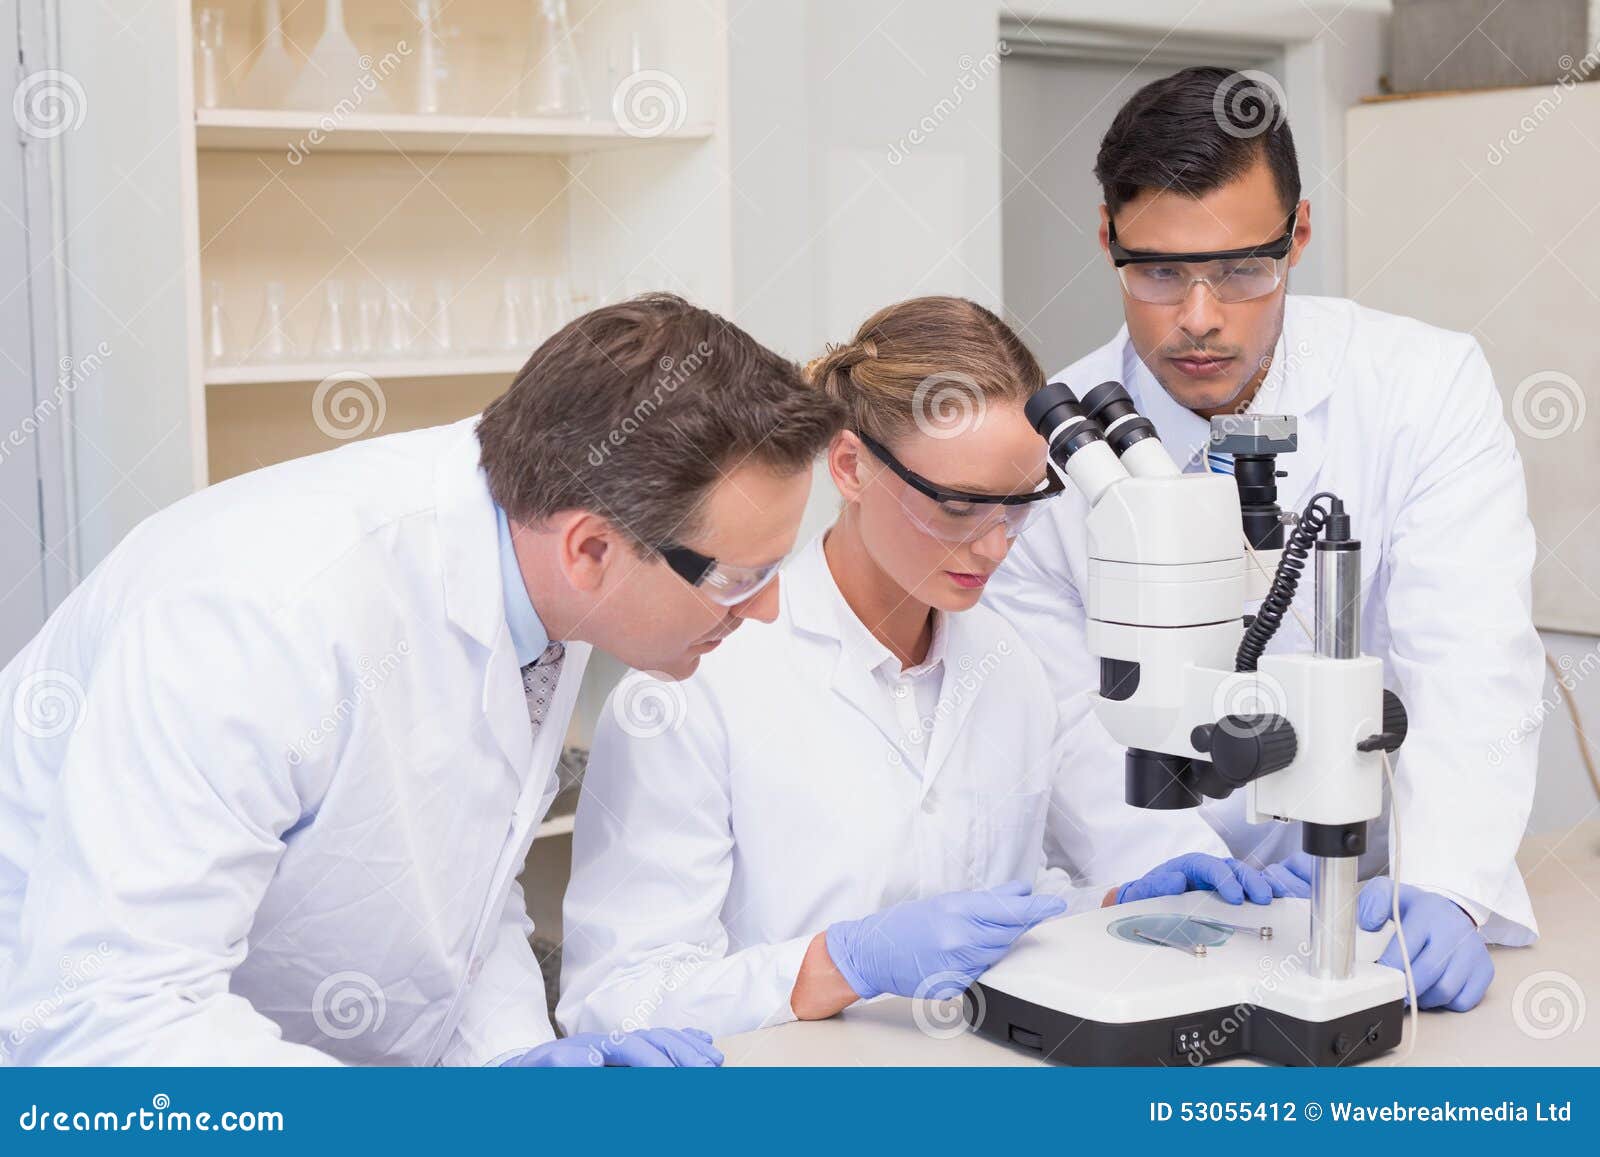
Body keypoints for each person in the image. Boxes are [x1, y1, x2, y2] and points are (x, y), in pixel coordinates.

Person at [0, 295, 844, 1065]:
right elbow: (109, 1021)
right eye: (739, 578)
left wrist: (512, 1058)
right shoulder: (263, 616)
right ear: (590, 550)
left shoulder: (549, 554)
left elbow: (463, 894)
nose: (766, 608)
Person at [556, 296, 1274, 1041]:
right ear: (850, 466)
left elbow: (994, 909)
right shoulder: (694, 681)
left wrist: (1119, 907)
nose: (995, 546)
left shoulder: (1009, 665)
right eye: (959, 506)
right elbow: (617, 998)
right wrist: (839, 962)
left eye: (1019, 505)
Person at [984, 67, 1543, 1012]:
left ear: (1300, 234)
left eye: (1244, 269)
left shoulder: (1420, 387)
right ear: (1108, 240)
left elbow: (1469, 658)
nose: (1200, 317)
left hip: (1375, 893)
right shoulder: (1050, 451)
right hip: (1158, 901)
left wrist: (1447, 887)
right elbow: (1067, 711)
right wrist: (1173, 867)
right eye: (1160, 271)